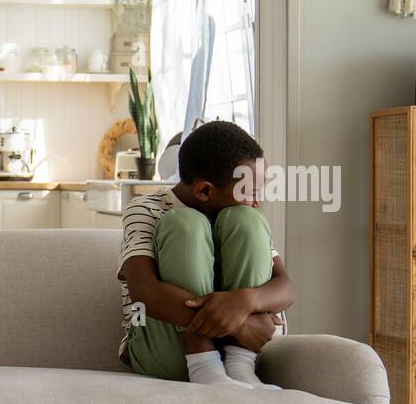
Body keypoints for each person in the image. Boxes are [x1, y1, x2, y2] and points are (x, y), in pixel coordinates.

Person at [118, 121, 294, 389]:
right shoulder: (146, 209)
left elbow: (286, 288)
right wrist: (240, 325)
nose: (258, 202)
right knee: (184, 224)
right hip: (166, 348)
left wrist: (246, 300)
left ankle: (239, 367)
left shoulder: (244, 217)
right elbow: (145, 292)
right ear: (204, 191)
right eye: (250, 192)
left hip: (240, 352)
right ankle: (203, 366)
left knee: (248, 220)